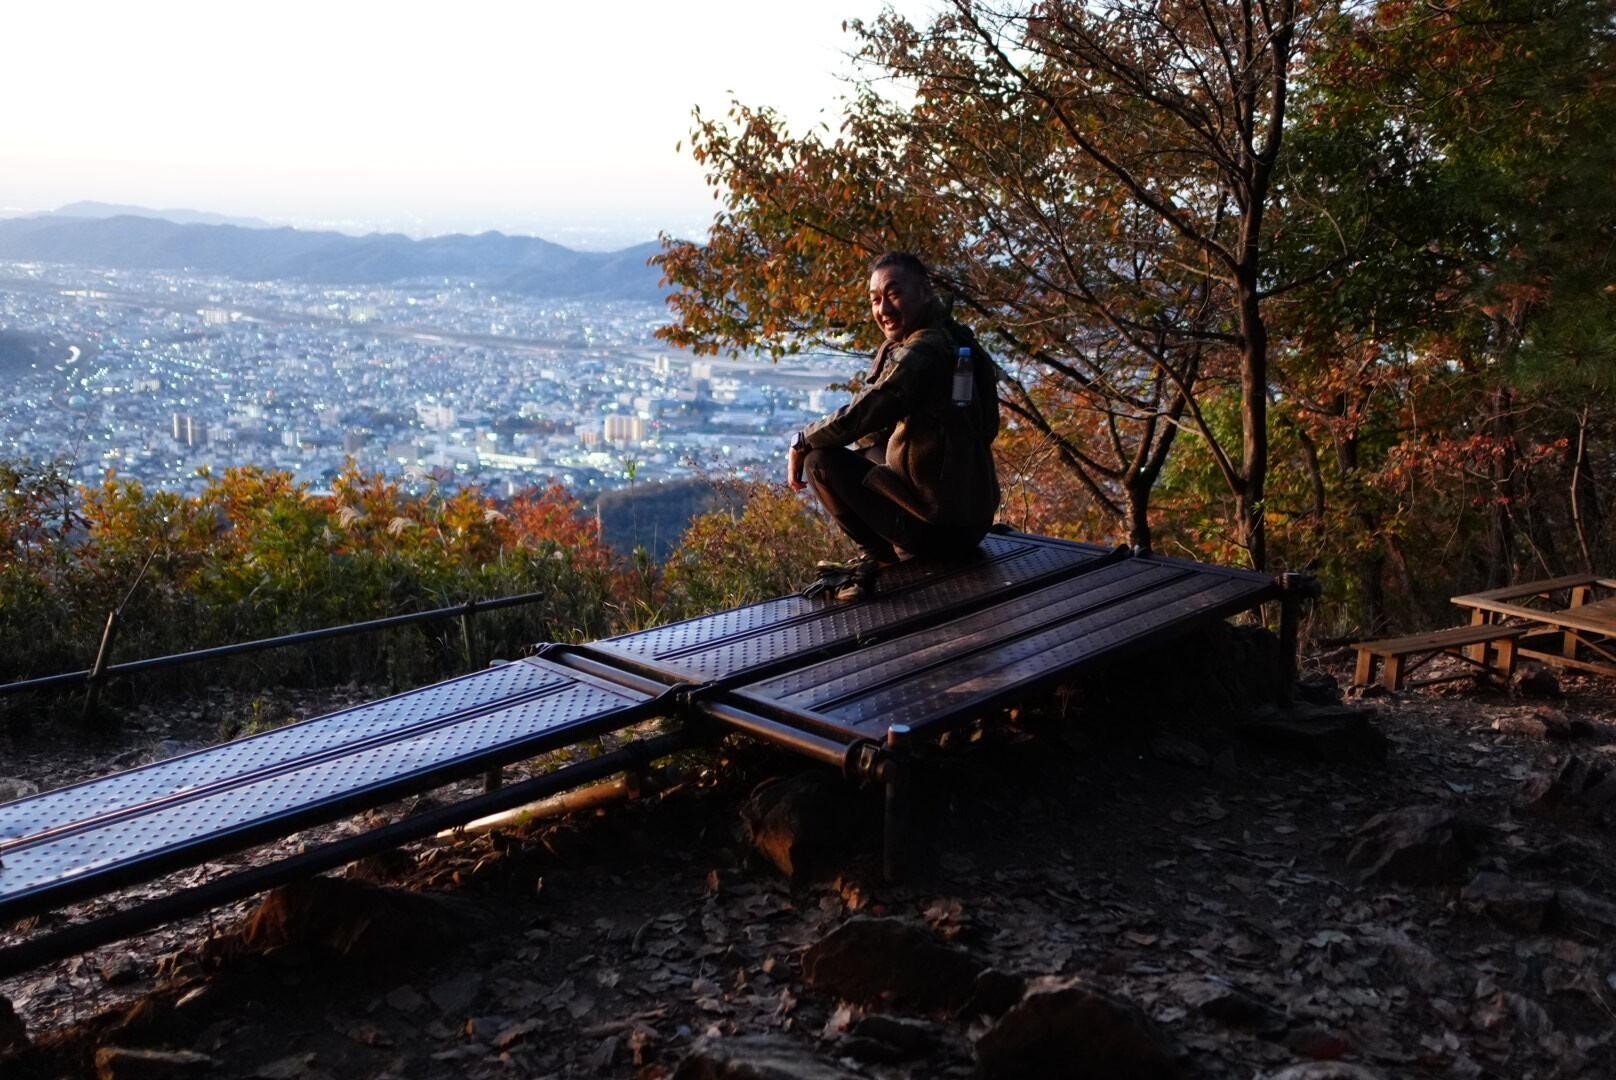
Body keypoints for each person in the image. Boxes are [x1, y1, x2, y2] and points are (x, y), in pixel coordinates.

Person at [787, 251, 1000, 598]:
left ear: (924, 292)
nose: (883, 309)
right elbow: (988, 426)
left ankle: (880, 559)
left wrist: (803, 440)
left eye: (894, 294)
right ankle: (898, 544)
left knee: (819, 462)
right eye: (875, 300)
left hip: (940, 531)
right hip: (973, 521)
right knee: (871, 451)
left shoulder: (923, 352)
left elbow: (864, 413)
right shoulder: (957, 339)